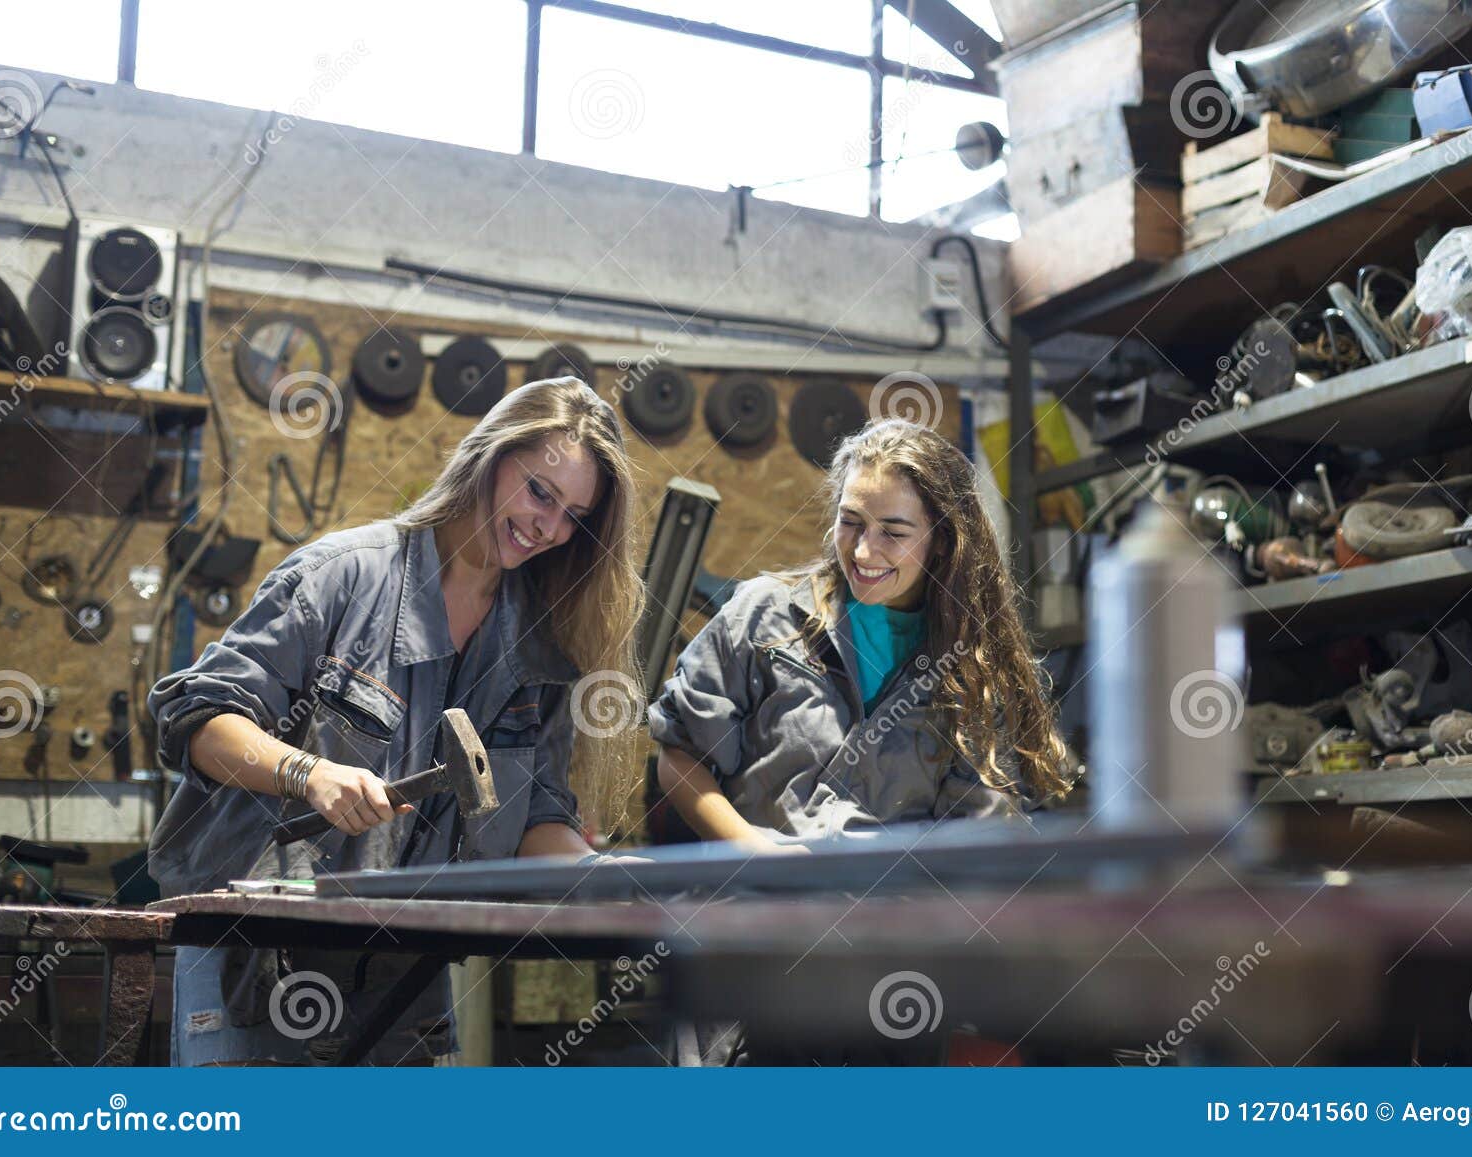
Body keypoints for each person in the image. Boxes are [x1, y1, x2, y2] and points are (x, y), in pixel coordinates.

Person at [147, 376, 643, 1065]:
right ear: (490, 457)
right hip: (254, 959)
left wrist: (613, 883)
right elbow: (195, 716)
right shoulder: (343, 578)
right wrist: (306, 773)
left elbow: (540, 819)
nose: (548, 528)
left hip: (403, 977)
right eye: (540, 492)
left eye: (574, 517)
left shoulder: (537, 647)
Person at [651, 418, 1068, 851]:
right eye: (851, 521)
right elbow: (680, 752)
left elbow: (974, 842)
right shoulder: (761, 614)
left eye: (893, 532)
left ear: (943, 539)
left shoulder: (975, 672)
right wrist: (753, 854)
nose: (864, 551)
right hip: (752, 905)